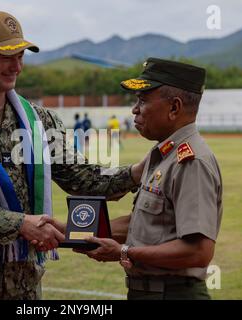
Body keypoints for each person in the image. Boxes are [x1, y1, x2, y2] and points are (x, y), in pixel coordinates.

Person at [0, 10, 144, 300]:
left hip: (23, 288)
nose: (17, 66)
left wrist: (137, 172)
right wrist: (20, 224)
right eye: (6, 56)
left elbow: (82, 179)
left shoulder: (40, 120)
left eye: (21, 55)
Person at [75, 58, 223, 300]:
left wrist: (124, 252)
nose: (134, 109)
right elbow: (144, 225)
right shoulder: (163, 155)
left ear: (174, 108)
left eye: (142, 100)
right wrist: (74, 231)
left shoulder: (190, 161)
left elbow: (198, 251)